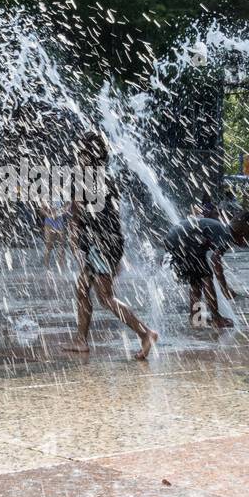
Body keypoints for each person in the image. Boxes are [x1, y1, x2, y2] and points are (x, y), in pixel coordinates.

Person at [63, 132, 158, 361]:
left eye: (81, 152)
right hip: (111, 242)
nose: (78, 156)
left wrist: (76, 244)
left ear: (87, 154)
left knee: (105, 297)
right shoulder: (107, 178)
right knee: (82, 288)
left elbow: (76, 218)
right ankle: (81, 340)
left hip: (99, 244)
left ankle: (145, 333)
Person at [164, 214, 249, 327]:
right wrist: (224, 288)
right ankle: (216, 318)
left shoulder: (222, 229)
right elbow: (215, 259)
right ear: (241, 234)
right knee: (207, 277)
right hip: (184, 239)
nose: (244, 243)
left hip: (176, 237)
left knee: (196, 281)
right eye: (246, 239)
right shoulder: (227, 235)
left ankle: (196, 318)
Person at [39, 200, 70, 268]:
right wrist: (49, 214)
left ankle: (61, 266)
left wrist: (59, 212)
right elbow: (41, 210)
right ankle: (46, 266)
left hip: (59, 222)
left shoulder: (63, 194)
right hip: (49, 222)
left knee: (61, 245)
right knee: (48, 245)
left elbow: (67, 206)